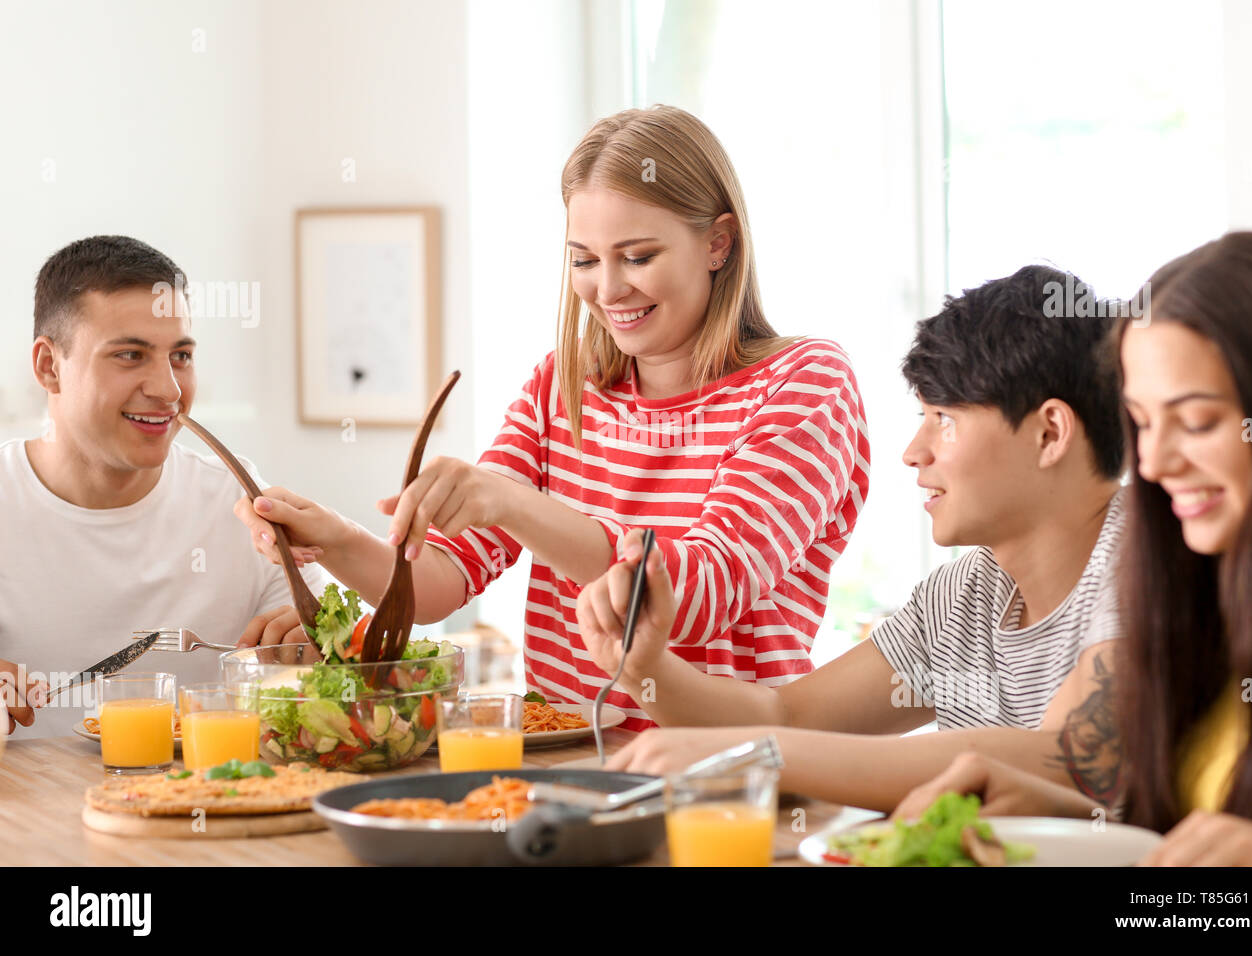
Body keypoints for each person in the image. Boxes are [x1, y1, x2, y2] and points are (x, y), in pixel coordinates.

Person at [234, 105, 872, 731]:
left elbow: (695, 598)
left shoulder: (805, 383)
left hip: (732, 776)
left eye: (638, 256)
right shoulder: (560, 386)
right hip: (566, 767)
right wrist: (336, 537)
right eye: (585, 260)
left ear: (718, 243)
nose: (609, 289)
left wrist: (509, 502)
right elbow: (435, 586)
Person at [582, 265, 1132, 810]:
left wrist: (754, 756)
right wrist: (646, 668)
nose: (914, 452)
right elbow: (789, 718)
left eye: (943, 418)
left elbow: (1068, 761)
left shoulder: (1145, 560)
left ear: (1049, 433)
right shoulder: (967, 594)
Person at [893, 231, 1252, 866]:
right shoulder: (1208, 611)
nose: (1156, 462)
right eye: (1142, 422)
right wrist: (1062, 816)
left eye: (1196, 422)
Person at [0, 235, 324, 737]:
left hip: (209, 805)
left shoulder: (241, 502)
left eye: (180, 356)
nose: (169, 391)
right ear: (49, 366)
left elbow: (342, 665)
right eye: (130, 355)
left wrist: (323, 651)